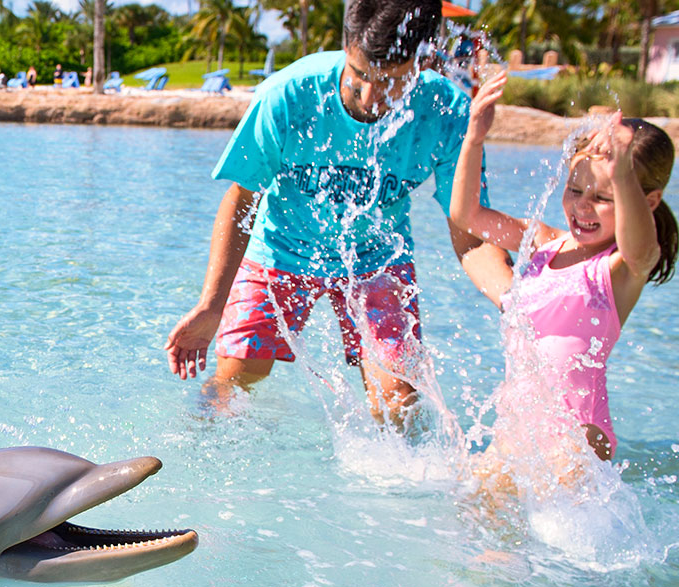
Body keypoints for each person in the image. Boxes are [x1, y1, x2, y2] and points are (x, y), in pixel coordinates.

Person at [163, 0, 500, 428]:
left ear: (426, 61)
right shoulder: (289, 95)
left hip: (378, 259)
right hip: (280, 252)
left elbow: (468, 230)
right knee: (236, 379)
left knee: (398, 398)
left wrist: (513, 300)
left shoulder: (447, 113)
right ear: (347, 46)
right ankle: (193, 462)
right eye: (360, 76)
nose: (372, 97)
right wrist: (211, 305)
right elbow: (242, 199)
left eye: (393, 83)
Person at [448, 71, 679, 466]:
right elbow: (466, 216)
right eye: (574, 190)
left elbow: (642, 249)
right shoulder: (544, 240)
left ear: (648, 201)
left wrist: (622, 172)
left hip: (577, 436)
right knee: (470, 515)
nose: (582, 207)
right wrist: (474, 139)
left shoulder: (619, 268)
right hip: (518, 429)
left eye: (603, 197)